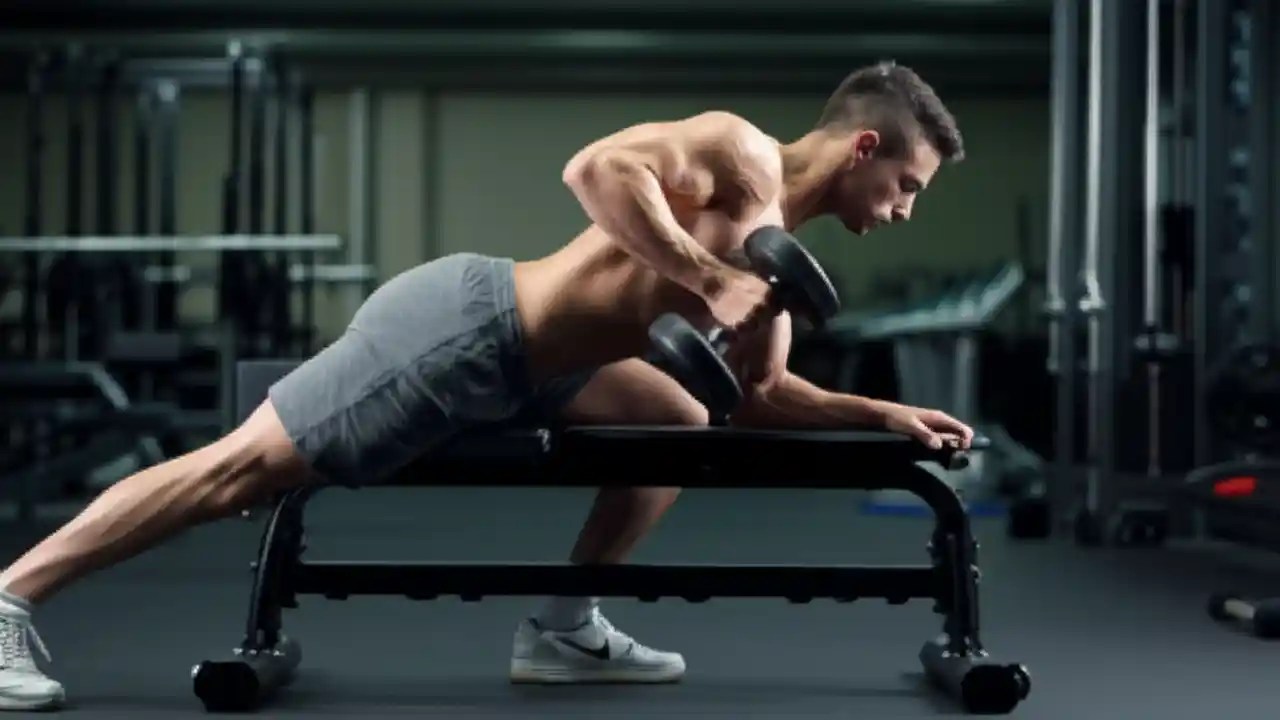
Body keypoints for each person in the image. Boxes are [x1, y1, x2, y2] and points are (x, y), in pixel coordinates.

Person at [0, 60, 973, 710]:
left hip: (545, 371)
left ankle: (561, 627)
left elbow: (757, 399)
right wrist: (703, 275)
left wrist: (888, 415)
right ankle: (12, 599)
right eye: (906, 185)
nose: (903, 208)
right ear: (861, 148)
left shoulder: (773, 264)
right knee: (237, 473)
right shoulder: (738, 153)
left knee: (681, 416)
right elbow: (594, 169)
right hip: (468, 328)